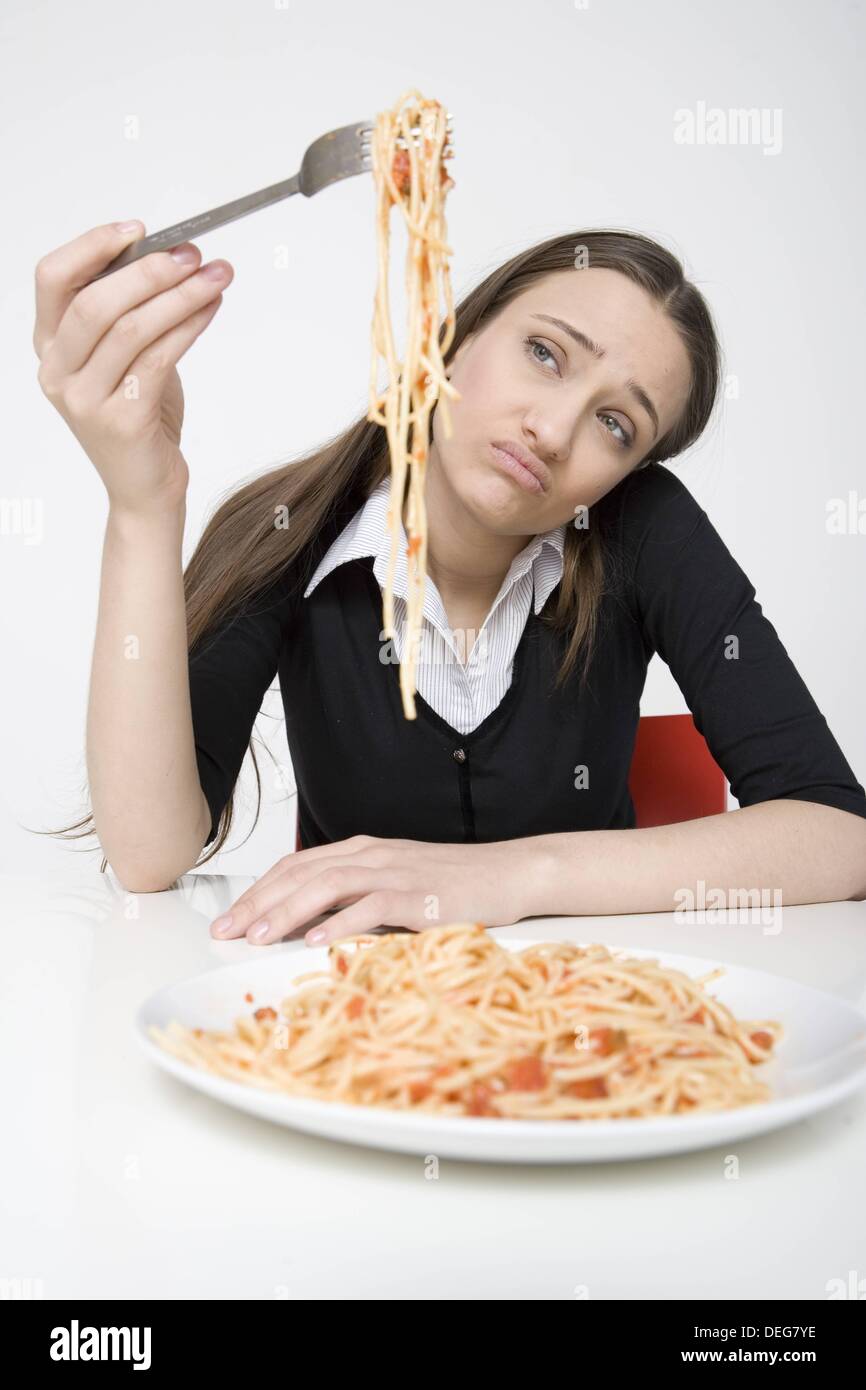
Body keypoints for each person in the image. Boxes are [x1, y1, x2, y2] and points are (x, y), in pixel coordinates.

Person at [33, 223, 866, 944]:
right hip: (356, 1024)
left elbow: (838, 833)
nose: (551, 429)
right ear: (456, 337)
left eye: (616, 425)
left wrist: (511, 879)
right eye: (545, 354)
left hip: (591, 1021)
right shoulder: (286, 533)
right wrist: (143, 507)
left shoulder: (644, 530)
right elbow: (149, 854)